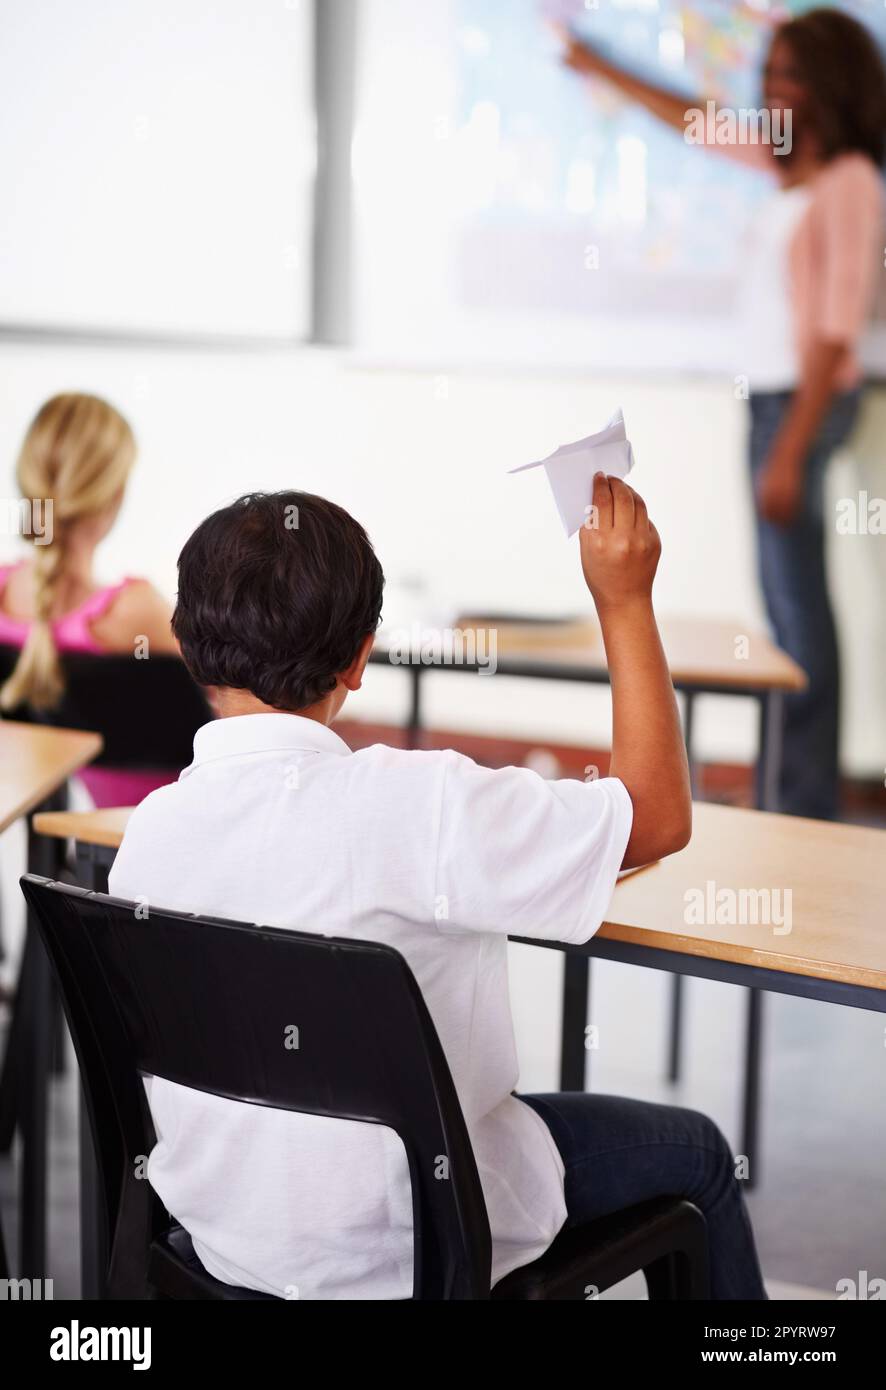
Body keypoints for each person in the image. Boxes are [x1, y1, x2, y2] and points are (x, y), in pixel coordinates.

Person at [109, 486, 766, 1299]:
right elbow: (658, 816)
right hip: (416, 1241)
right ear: (360, 658)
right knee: (701, 1154)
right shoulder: (424, 807)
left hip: (224, 1238)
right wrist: (626, 599)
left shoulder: (151, 835)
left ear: (188, 644)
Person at [559, 9, 886, 819]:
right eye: (771, 72)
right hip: (774, 405)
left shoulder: (849, 182)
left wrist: (791, 449)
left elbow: (838, 327)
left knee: (797, 612)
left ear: (834, 85)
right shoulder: (787, 166)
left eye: (794, 75)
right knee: (786, 607)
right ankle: (794, 792)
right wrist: (598, 67)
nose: (776, 88)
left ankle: (804, 802)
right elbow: (692, 122)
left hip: (803, 406)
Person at [0, 392, 180, 805]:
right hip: (173, 831)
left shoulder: (5, 596)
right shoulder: (137, 612)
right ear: (114, 495)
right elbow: (235, 696)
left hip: (76, 842)